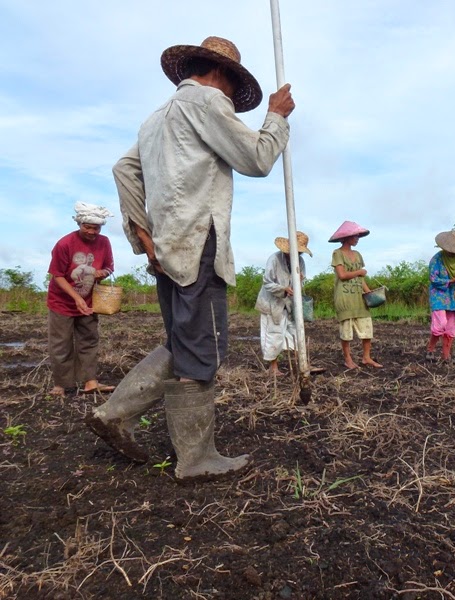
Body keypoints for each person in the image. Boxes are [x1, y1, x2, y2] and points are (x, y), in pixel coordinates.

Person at [87, 36, 295, 482]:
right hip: (200, 243)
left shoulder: (155, 117)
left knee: (185, 341)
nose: (230, 100)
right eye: (232, 88)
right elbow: (257, 158)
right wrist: (276, 116)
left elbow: (124, 170)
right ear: (221, 74)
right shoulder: (207, 101)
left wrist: (144, 236)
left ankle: (115, 415)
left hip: (166, 248)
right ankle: (194, 458)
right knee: (205, 347)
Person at [47, 202, 116, 397]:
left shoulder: (104, 242)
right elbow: (57, 275)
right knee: (61, 344)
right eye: (88, 227)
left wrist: (102, 273)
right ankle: (61, 385)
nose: (92, 232)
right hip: (61, 302)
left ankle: (90, 381)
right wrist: (76, 298)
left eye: (96, 228)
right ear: (79, 224)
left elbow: (110, 267)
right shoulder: (64, 244)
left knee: (89, 340)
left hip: (89, 301)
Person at [257, 231, 311, 376]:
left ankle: (301, 364)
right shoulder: (274, 259)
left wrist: (299, 280)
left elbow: (299, 282)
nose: (298, 254)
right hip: (272, 302)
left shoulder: (300, 262)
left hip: (289, 303)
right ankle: (273, 368)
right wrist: (283, 289)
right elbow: (267, 282)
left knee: (295, 332)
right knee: (273, 333)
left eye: (300, 252)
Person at [329, 220, 382, 369]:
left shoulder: (357, 255)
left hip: (359, 297)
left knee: (367, 328)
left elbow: (360, 279)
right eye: (355, 236)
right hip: (345, 297)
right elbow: (342, 275)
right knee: (346, 331)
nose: (357, 239)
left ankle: (366, 358)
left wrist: (369, 292)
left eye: (358, 236)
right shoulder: (338, 253)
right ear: (346, 237)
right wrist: (359, 272)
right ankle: (348, 359)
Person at [426, 230, 455, 362]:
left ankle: (446, 356)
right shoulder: (437, 259)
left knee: (451, 327)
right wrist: (450, 281)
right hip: (439, 295)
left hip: (453, 296)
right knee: (440, 324)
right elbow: (433, 279)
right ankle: (430, 351)